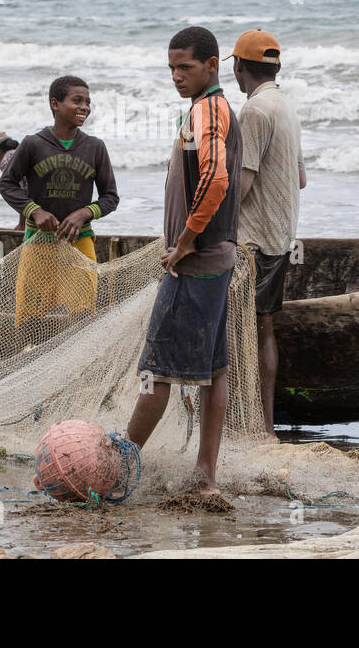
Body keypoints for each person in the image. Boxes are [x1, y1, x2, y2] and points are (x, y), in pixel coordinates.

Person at [126, 26, 242, 495]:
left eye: (185, 67)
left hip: (196, 262)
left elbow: (215, 180)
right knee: (214, 372)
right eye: (171, 67)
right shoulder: (204, 108)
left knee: (157, 370)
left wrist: (187, 240)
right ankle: (204, 478)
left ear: (212, 66)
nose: (176, 75)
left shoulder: (209, 111)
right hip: (216, 257)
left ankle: (118, 465)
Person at [227, 29, 306, 443]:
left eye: (234, 68)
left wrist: (202, 226)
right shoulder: (286, 108)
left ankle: (240, 425)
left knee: (236, 333)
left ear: (240, 67)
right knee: (264, 329)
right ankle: (266, 427)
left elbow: (242, 184)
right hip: (281, 236)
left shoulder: (255, 111)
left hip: (251, 242)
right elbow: (301, 179)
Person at [0, 76, 119, 322]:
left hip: (80, 242)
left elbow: (110, 197)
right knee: (29, 317)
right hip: (38, 243)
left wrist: (84, 213)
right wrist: (35, 211)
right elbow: (7, 184)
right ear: (55, 103)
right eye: (77, 101)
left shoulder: (95, 147)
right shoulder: (33, 144)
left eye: (88, 102)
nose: (85, 107)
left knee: (83, 316)